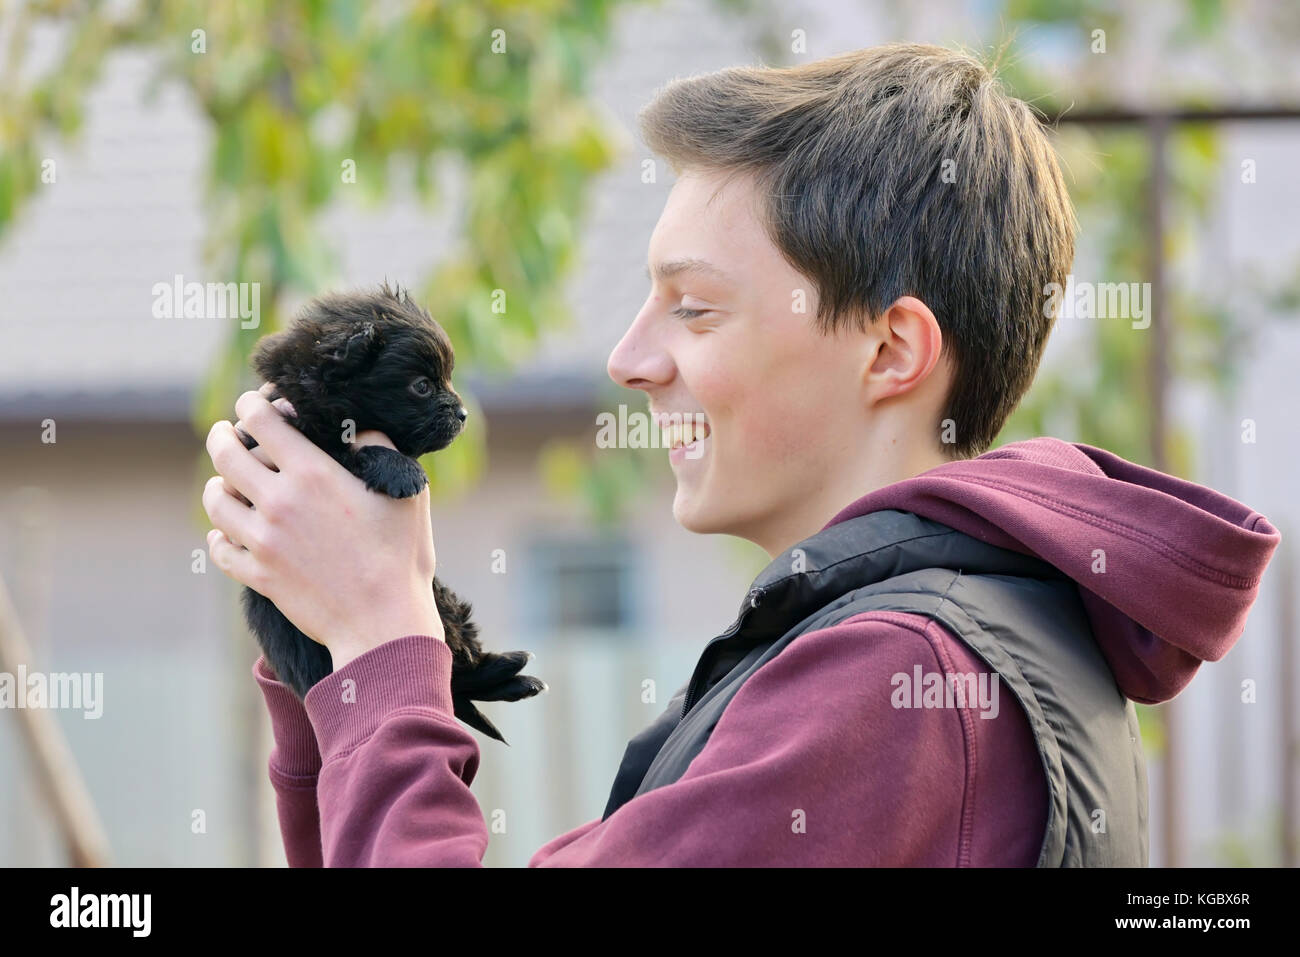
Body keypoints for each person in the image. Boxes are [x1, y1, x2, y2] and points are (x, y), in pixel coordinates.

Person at [202, 42, 1281, 866]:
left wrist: (386, 640)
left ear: (891, 349)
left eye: (695, 308)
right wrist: (328, 658)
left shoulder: (905, 684)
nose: (629, 358)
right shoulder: (942, 645)